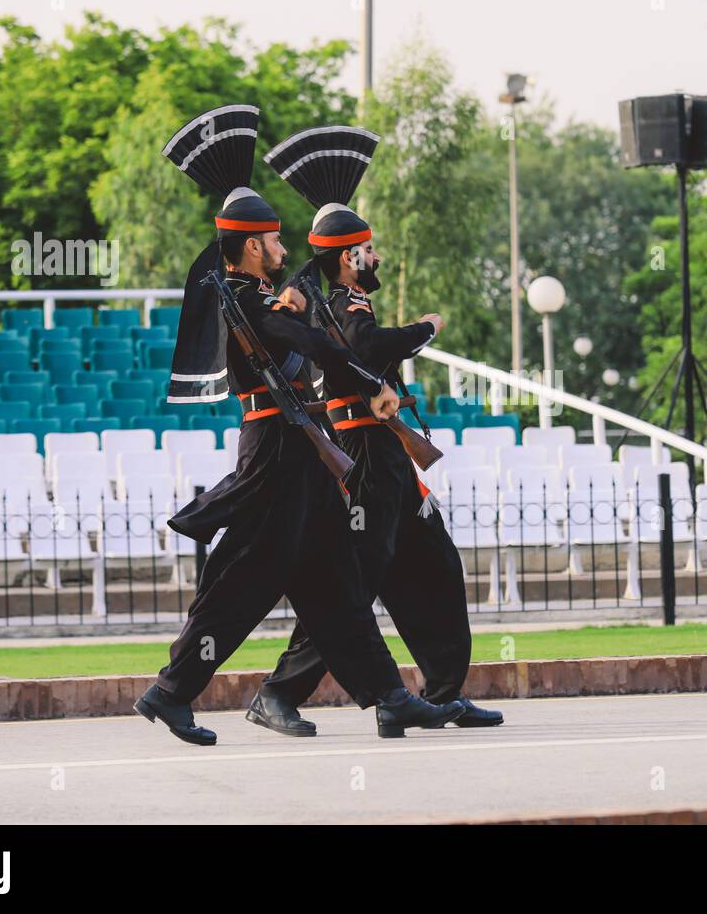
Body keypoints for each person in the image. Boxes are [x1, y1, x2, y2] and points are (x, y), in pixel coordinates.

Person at [136, 105, 466, 744]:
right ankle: (171, 692)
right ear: (252, 245)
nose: (286, 252)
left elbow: (308, 337)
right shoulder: (244, 295)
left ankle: (391, 697)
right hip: (274, 453)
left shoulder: (259, 294)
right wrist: (337, 341)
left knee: (336, 585)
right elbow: (312, 344)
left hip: (299, 451)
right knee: (243, 584)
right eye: (276, 242)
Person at [242, 126, 502, 736]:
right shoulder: (342, 304)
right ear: (348, 256)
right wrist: (425, 329)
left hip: (386, 453)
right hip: (361, 452)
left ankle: (442, 692)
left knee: (434, 567)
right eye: (368, 250)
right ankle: (279, 693)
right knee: (353, 583)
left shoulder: (347, 300)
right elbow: (367, 346)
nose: (376, 257)